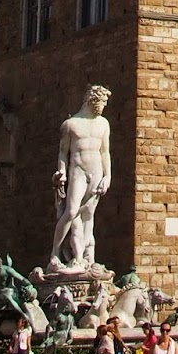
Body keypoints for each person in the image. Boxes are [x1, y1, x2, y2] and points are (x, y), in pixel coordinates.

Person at [52, 84, 113, 271]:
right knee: (70, 212)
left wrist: (108, 176)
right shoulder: (71, 125)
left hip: (96, 171)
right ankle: (54, 255)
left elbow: (105, 152)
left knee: (89, 215)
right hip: (77, 171)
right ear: (91, 100)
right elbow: (63, 153)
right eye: (102, 102)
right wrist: (61, 172)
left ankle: (86, 257)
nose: (103, 107)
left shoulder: (103, 123)